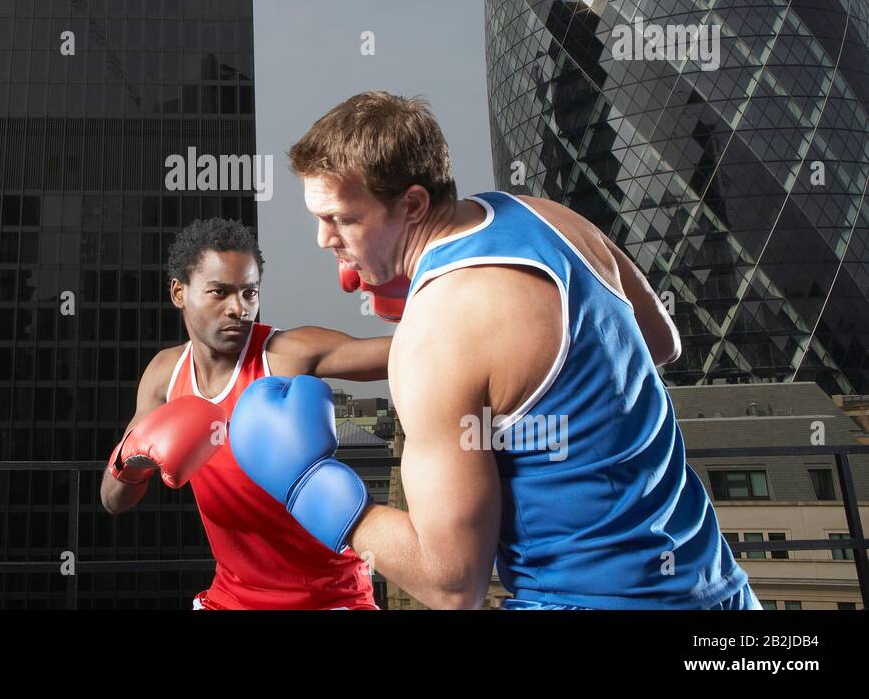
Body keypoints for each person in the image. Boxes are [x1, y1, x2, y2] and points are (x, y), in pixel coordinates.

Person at [229, 90, 759, 610]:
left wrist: (307, 484)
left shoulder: (437, 332)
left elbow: (453, 586)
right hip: (721, 587)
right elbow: (663, 343)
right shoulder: (545, 216)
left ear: (412, 204)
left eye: (342, 219)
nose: (324, 240)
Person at [101, 217, 392, 609]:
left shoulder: (284, 355)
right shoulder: (164, 376)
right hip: (233, 596)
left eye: (249, 293)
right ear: (178, 292)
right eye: (219, 292)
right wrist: (132, 457)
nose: (239, 309)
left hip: (329, 594)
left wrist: (404, 286)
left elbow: (403, 354)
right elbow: (112, 501)